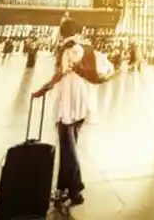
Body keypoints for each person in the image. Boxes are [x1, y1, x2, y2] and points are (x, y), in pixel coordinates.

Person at [32, 19, 114, 207]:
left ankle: (76, 190)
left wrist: (43, 89)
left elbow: (60, 73)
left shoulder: (66, 49)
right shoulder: (84, 49)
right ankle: (63, 189)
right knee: (68, 147)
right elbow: (105, 67)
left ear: (62, 33)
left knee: (68, 150)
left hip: (67, 104)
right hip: (82, 102)